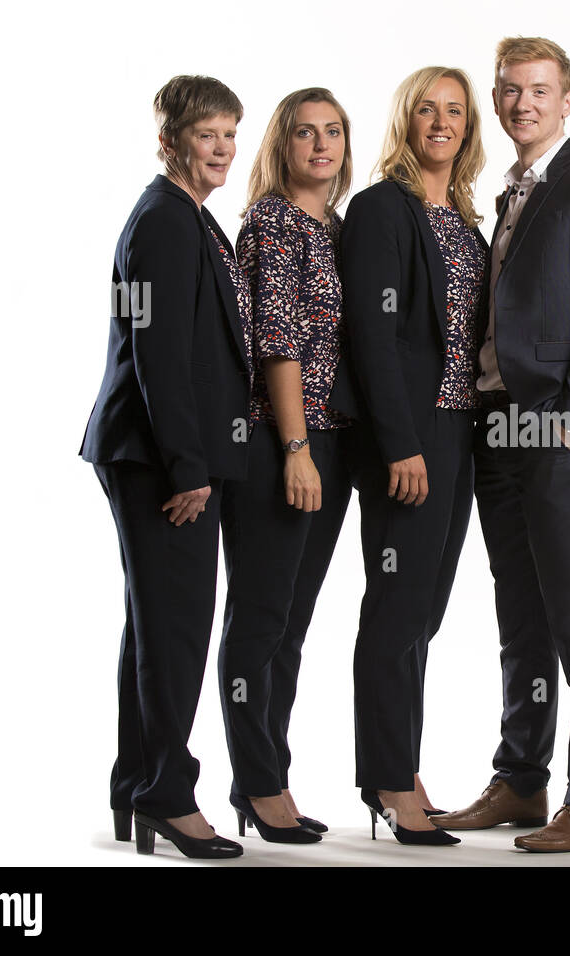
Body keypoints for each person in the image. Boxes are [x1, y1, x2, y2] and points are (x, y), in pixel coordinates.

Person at [434, 36, 570, 853]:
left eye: (539, 91)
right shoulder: (510, 194)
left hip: (558, 429)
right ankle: (522, 779)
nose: (523, 103)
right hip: (496, 426)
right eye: (511, 90)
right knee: (521, 615)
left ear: (567, 101)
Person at [80, 75, 251, 859]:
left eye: (229, 133)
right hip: (158, 460)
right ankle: (168, 797)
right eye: (207, 134)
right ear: (171, 141)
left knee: (156, 626)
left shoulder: (186, 218)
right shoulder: (163, 223)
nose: (221, 148)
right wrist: (188, 467)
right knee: (178, 627)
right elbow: (157, 355)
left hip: (156, 453)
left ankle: (136, 787)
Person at [329, 66, 489, 847]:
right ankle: (389, 778)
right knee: (395, 609)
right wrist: (400, 442)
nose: (441, 121)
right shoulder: (380, 210)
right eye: (426, 108)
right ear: (406, 120)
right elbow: (371, 333)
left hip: (461, 434)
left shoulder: (465, 220)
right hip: (410, 437)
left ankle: (403, 764)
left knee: (423, 612)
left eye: (454, 110)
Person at [216, 88, 356, 845]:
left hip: (329, 439)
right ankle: (257, 785)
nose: (321, 144)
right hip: (281, 440)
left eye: (333, 131)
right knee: (261, 618)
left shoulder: (333, 228)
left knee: (292, 625)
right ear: (284, 145)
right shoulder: (272, 222)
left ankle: (271, 775)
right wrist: (297, 449)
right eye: (305, 133)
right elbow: (279, 342)